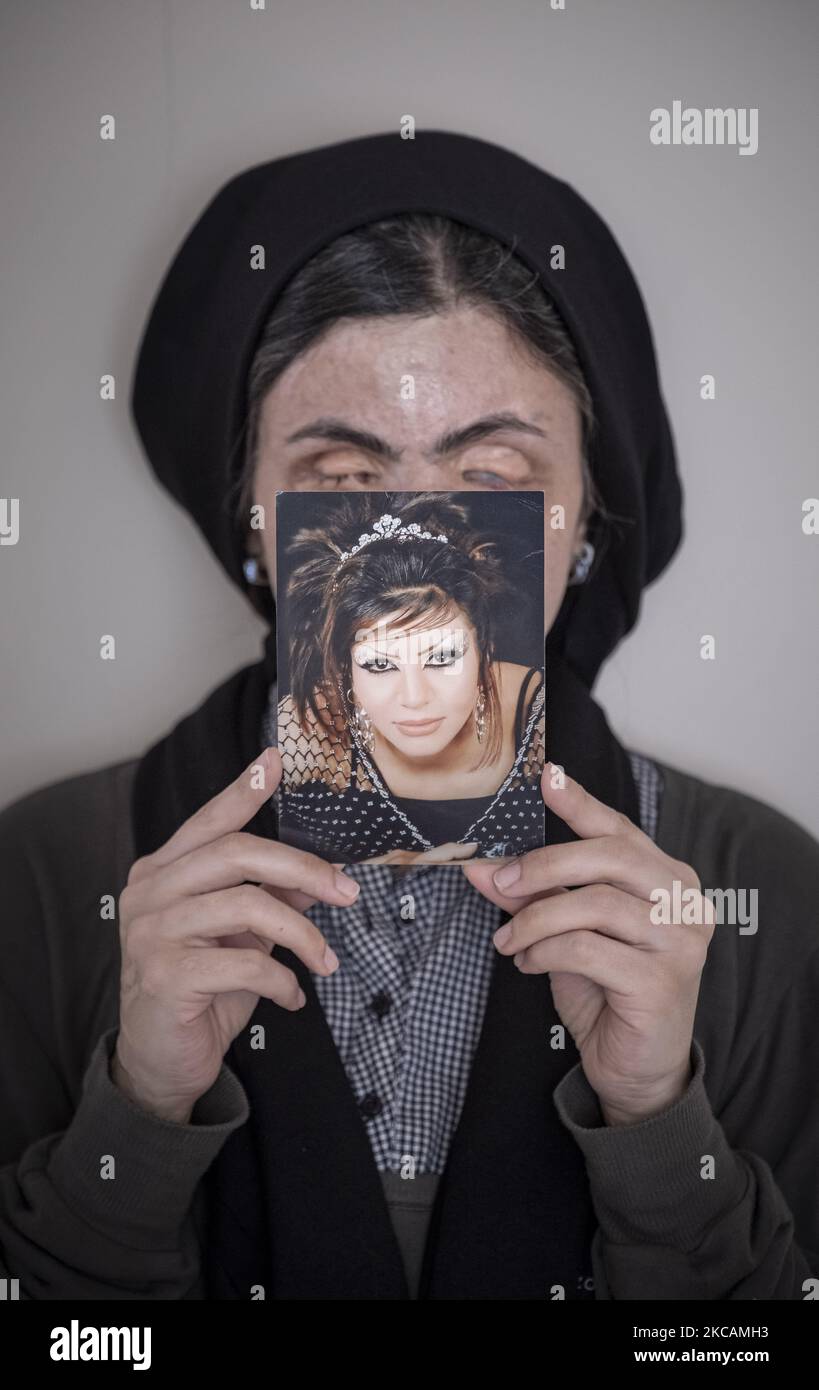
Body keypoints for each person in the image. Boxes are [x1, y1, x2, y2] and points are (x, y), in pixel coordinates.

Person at [1, 129, 818, 1300]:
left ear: (587, 518)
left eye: (492, 478)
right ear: (250, 518)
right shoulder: (39, 877)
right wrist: (138, 1106)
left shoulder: (770, 897)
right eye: (341, 479)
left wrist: (655, 1125)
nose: (417, 548)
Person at [275, 491, 545, 863]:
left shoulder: (540, 716)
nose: (415, 697)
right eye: (380, 665)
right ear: (346, 668)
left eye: (442, 658)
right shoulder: (306, 729)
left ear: (484, 645)